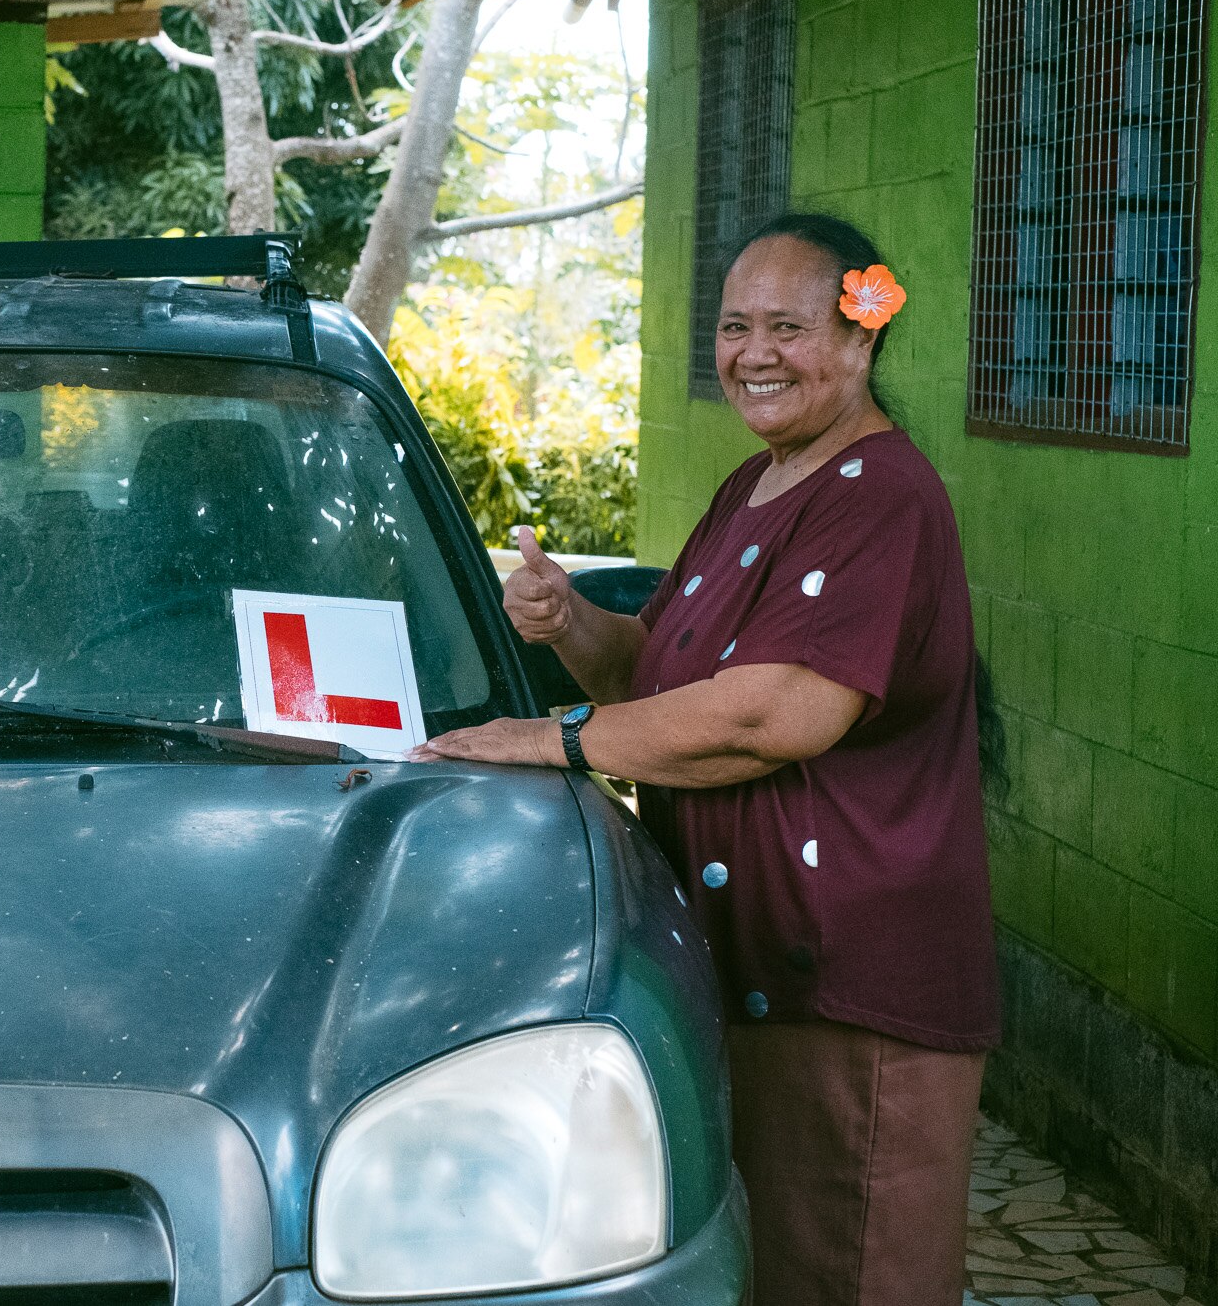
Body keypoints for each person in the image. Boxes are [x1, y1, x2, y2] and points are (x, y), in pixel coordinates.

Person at [414, 213, 1000, 1306]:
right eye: (734, 326)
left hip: (846, 985)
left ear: (860, 336)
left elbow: (770, 714)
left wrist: (547, 740)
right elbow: (651, 676)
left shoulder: (883, 494)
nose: (753, 353)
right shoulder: (754, 486)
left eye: (788, 326)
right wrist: (567, 622)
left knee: (848, 1268)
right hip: (751, 963)